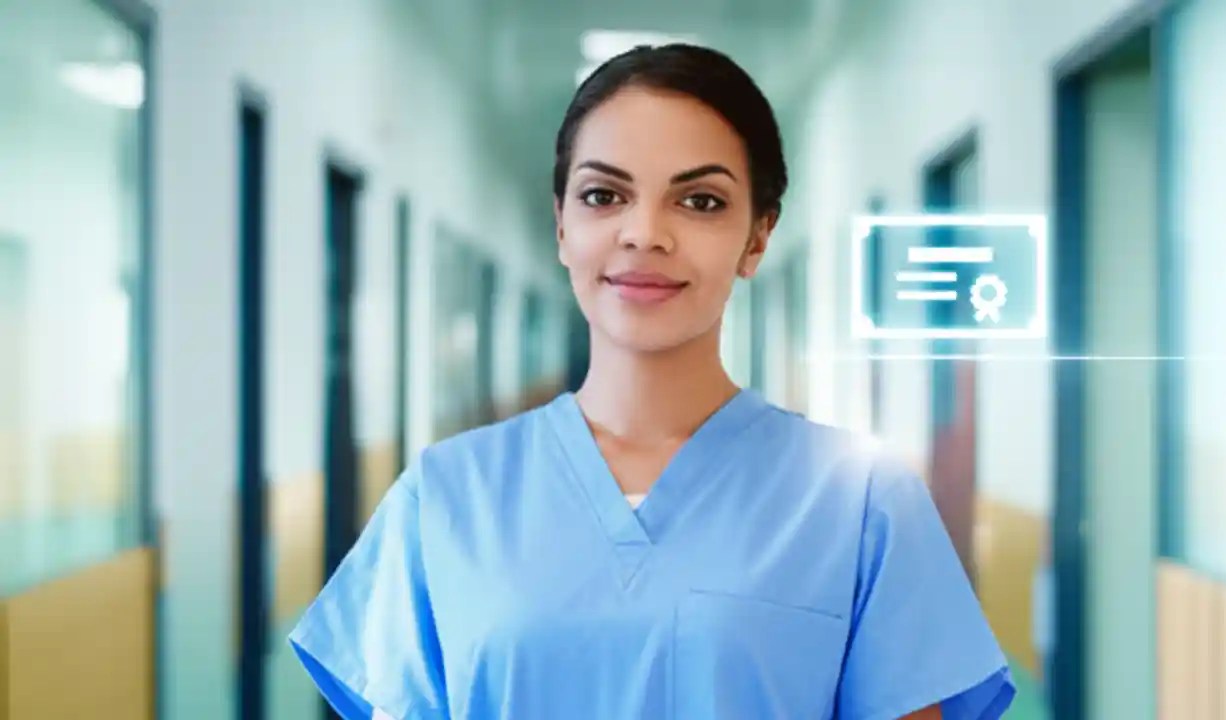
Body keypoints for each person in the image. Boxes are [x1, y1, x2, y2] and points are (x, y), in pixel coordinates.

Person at [289, 43, 1015, 720]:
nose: (644, 233)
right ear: (562, 225)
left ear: (758, 236)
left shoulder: (863, 504)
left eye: (699, 201)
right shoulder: (446, 496)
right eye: (603, 196)